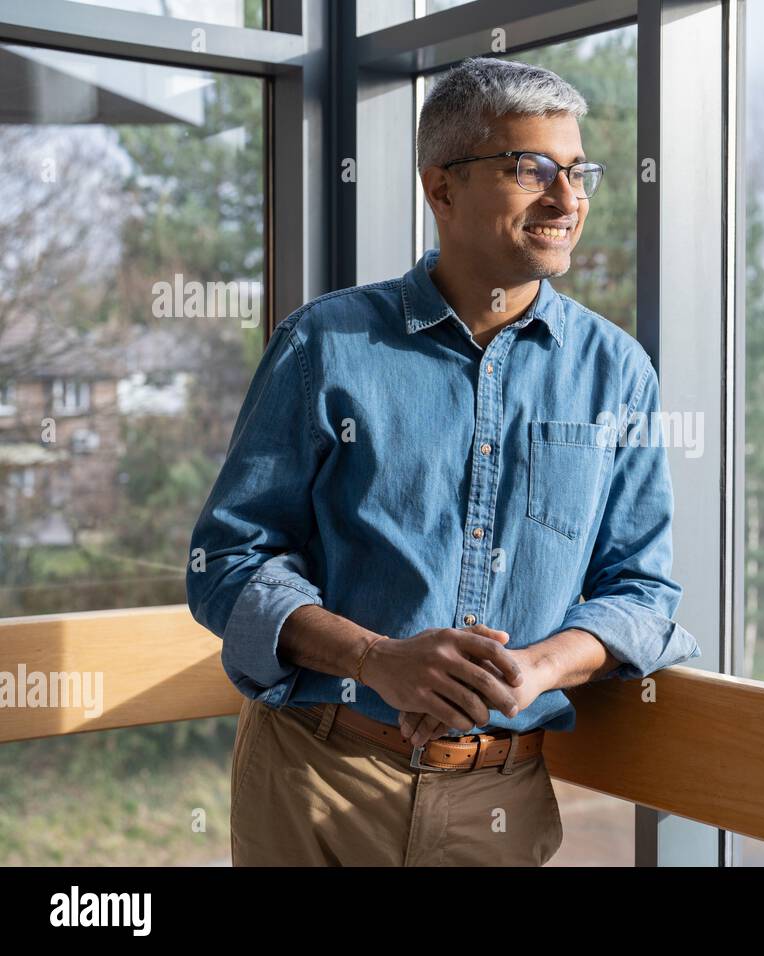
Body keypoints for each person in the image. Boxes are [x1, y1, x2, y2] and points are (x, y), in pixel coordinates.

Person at [187, 56, 701, 866]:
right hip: (317, 780)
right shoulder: (325, 345)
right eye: (530, 170)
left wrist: (534, 669)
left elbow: (642, 591)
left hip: (500, 799)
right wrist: (376, 659)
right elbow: (225, 564)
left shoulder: (618, 370)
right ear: (442, 188)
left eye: (577, 172)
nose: (567, 201)